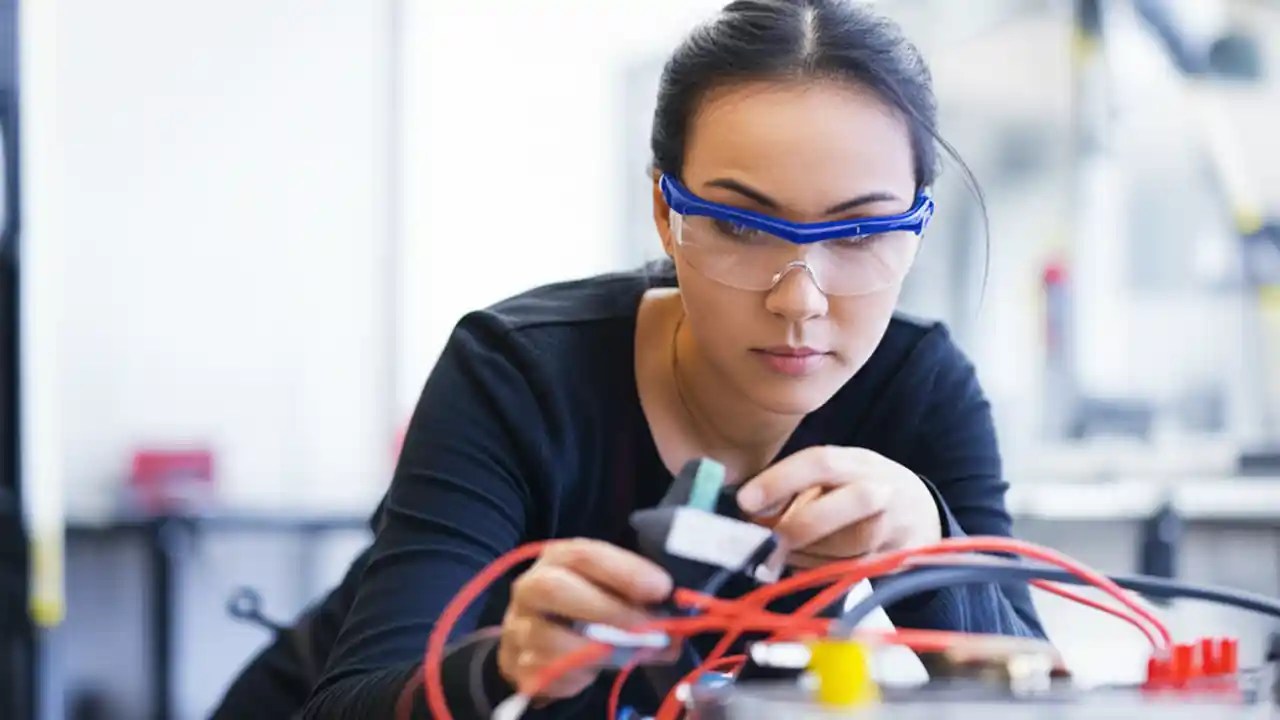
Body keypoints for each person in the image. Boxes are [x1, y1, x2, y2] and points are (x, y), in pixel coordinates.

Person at [214, 1, 1045, 717]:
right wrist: (504, 667)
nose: (800, 300)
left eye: (861, 232)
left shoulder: (922, 391)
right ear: (663, 211)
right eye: (743, 226)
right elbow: (345, 702)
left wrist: (935, 549)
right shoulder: (517, 376)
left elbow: (1040, 692)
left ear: (918, 229)